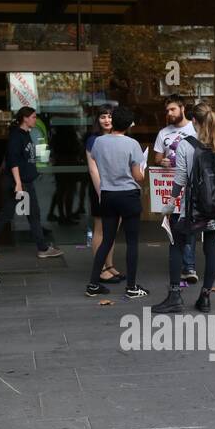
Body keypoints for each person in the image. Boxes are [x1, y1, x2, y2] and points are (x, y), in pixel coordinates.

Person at [154, 102, 215, 314]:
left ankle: (174, 296)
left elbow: (180, 179)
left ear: (194, 121)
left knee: (176, 245)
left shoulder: (186, 145)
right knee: (211, 251)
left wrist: (170, 204)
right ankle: (205, 298)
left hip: (192, 210)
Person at [0, 106, 63, 260]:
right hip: (17, 183)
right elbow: (13, 161)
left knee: (33, 214)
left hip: (25, 182)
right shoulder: (16, 136)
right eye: (33, 117)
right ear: (25, 118)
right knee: (7, 213)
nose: (35, 119)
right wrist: (18, 184)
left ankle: (42, 248)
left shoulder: (26, 134)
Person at [86, 105, 148, 298]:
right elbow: (138, 176)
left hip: (107, 195)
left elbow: (98, 162)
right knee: (131, 243)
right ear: (129, 124)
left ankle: (93, 284)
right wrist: (142, 172)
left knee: (107, 239)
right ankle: (131, 287)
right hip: (128, 195)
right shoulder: (132, 144)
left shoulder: (99, 142)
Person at [154, 94, 199, 285]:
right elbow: (156, 158)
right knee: (173, 225)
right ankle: (178, 264)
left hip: (190, 184)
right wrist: (161, 161)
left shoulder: (195, 130)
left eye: (172, 109)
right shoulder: (163, 133)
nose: (169, 113)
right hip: (169, 185)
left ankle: (189, 267)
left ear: (182, 108)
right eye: (167, 110)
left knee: (189, 225)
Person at [86, 106, 123, 284]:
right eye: (103, 117)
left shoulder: (119, 137)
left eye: (110, 117)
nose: (107, 120)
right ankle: (99, 269)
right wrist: (101, 192)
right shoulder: (93, 140)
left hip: (118, 189)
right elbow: (93, 170)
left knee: (113, 230)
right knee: (100, 230)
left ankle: (109, 265)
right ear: (97, 120)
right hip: (100, 189)